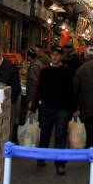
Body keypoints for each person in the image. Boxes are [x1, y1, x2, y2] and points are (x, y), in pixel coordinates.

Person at [29, 45, 76, 174]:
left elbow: (71, 91)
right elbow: (37, 90)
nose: (55, 57)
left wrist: (74, 108)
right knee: (45, 133)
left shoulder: (67, 71)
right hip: (47, 108)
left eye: (58, 55)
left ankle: (60, 164)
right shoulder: (44, 71)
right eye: (53, 54)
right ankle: (41, 156)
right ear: (51, 56)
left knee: (61, 135)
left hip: (63, 109)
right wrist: (33, 108)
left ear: (61, 57)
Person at [22, 45, 47, 125]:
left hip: (34, 96)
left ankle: (32, 133)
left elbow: (36, 82)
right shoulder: (38, 63)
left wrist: (33, 97)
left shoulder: (34, 66)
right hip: (37, 96)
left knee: (33, 117)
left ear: (29, 56)